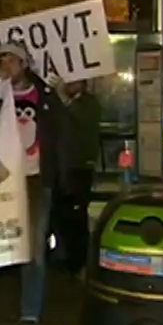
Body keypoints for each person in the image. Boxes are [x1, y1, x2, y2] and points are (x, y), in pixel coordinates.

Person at [0, 41, 67, 325]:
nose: (6, 65)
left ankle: (30, 314)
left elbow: (64, 130)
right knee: (9, 244)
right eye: (2, 60)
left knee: (34, 249)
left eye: (11, 60)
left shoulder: (45, 96)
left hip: (37, 179)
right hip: (6, 179)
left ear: (24, 64)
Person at [53, 78, 101, 276]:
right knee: (61, 214)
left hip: (80, 167)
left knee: (77, 215)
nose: (68, 85)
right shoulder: (63, 103)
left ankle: (79, 260)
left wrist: (63, 98)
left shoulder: (90, 104)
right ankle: (65, 255)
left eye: (73, 82)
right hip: (63, 166)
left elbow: (81, 119)